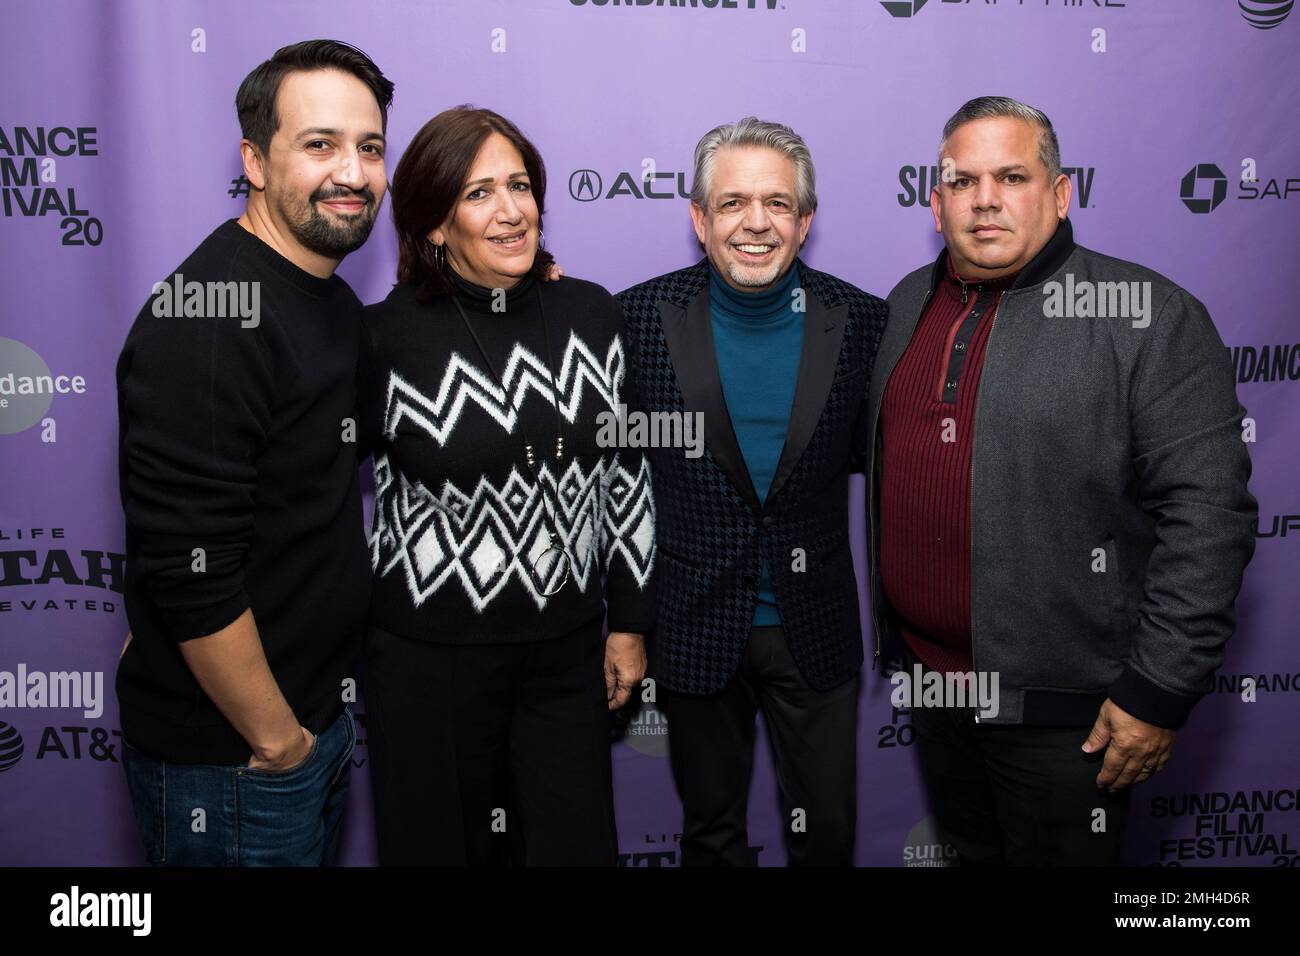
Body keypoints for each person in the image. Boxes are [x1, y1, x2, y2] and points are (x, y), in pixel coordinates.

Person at [867, 95, 1257, 865]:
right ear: (936, 202)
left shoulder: (1148, 316)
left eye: (1011, 177)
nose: (985, 200)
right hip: (936, 689)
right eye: (962, 181)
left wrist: (1156, 691)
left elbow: (1210, 515)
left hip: (1072, 717)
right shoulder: (909, 301)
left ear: (1060, 192)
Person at [114, 39, 393, 866]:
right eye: (320, 144)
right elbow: (190, 571)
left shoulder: (328, 298)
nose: (352, 172)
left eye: (369, 147)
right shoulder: (209, 318)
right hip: (237, 759)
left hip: (309, 724)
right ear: (255, 162)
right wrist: (277, 741)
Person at [360, 106, 655, 866]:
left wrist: (629, 620)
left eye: (519, 186)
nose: (510, 210)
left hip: (566, 656)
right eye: (478, 193)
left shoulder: (592, 312)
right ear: (434, 223)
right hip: (429, 663)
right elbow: (313, 493)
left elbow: (627, 477)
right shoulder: (382, 337)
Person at [616, 118, 887, 866]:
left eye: (778, 203)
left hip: (816, 626)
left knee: (827, 834)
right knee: (711, 836)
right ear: (699, 218)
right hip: (694, 624)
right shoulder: (635, 318)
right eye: (732, 202)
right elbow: (613, 478)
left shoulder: (864, 321)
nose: (756, 223)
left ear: (806, 220)